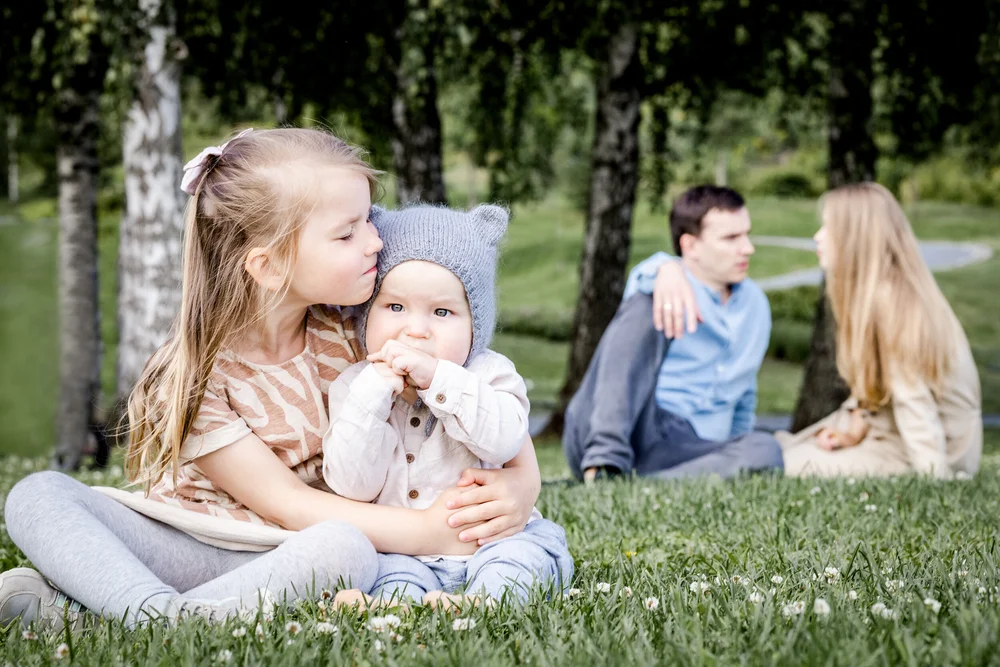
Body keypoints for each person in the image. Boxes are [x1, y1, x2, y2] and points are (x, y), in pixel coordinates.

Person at [0, 128, 542, 632]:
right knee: (37, 493)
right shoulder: (193, 373)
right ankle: (163, 617)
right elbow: (289, 504)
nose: (376, 241)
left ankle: (100, 611)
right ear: (269, 266)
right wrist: (429, 533)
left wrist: (523, 485)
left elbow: (485, 396)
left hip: (293, 556)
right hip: (195, 541)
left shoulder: (357, 329)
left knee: (345, 550)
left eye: (369, 222)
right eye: (348, 231)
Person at [322, 204, 573, 609]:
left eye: (442, 312)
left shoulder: (490, 374)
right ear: (366, 316)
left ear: (475, 324)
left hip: (494, 540)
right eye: (395, 307)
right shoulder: (355, 386)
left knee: (522, 560)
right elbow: (353, 486)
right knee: (389, 573)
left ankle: (488, 600)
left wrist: (438, 378)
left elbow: (505, 440)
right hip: (403, 551)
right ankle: (395, 605)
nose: (416, 329)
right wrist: (372, 397)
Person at [562, 185, 783, 481]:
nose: (747, 248)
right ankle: (603, 462)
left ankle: (631, 482)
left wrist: (736, 445)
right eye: (731, 238)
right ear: (690, 246)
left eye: (746, 234)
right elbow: (622, 355)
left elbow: (744, 391)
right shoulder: (658, 282)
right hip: (631, 424)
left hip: (687, 447)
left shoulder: (756, 305)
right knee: (645, 303)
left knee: (766, 450)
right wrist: (663, 268)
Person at [777, 182, 982, 478]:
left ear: (855, 237)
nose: (817, 237)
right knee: (780, 448)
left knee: (774, 463)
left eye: (828, 228)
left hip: (923, 451)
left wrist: (937, 478)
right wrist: (850, 434)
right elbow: (873, 395)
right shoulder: (878, 294)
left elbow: (914, 400)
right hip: (887, 435)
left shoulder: (894, 302)